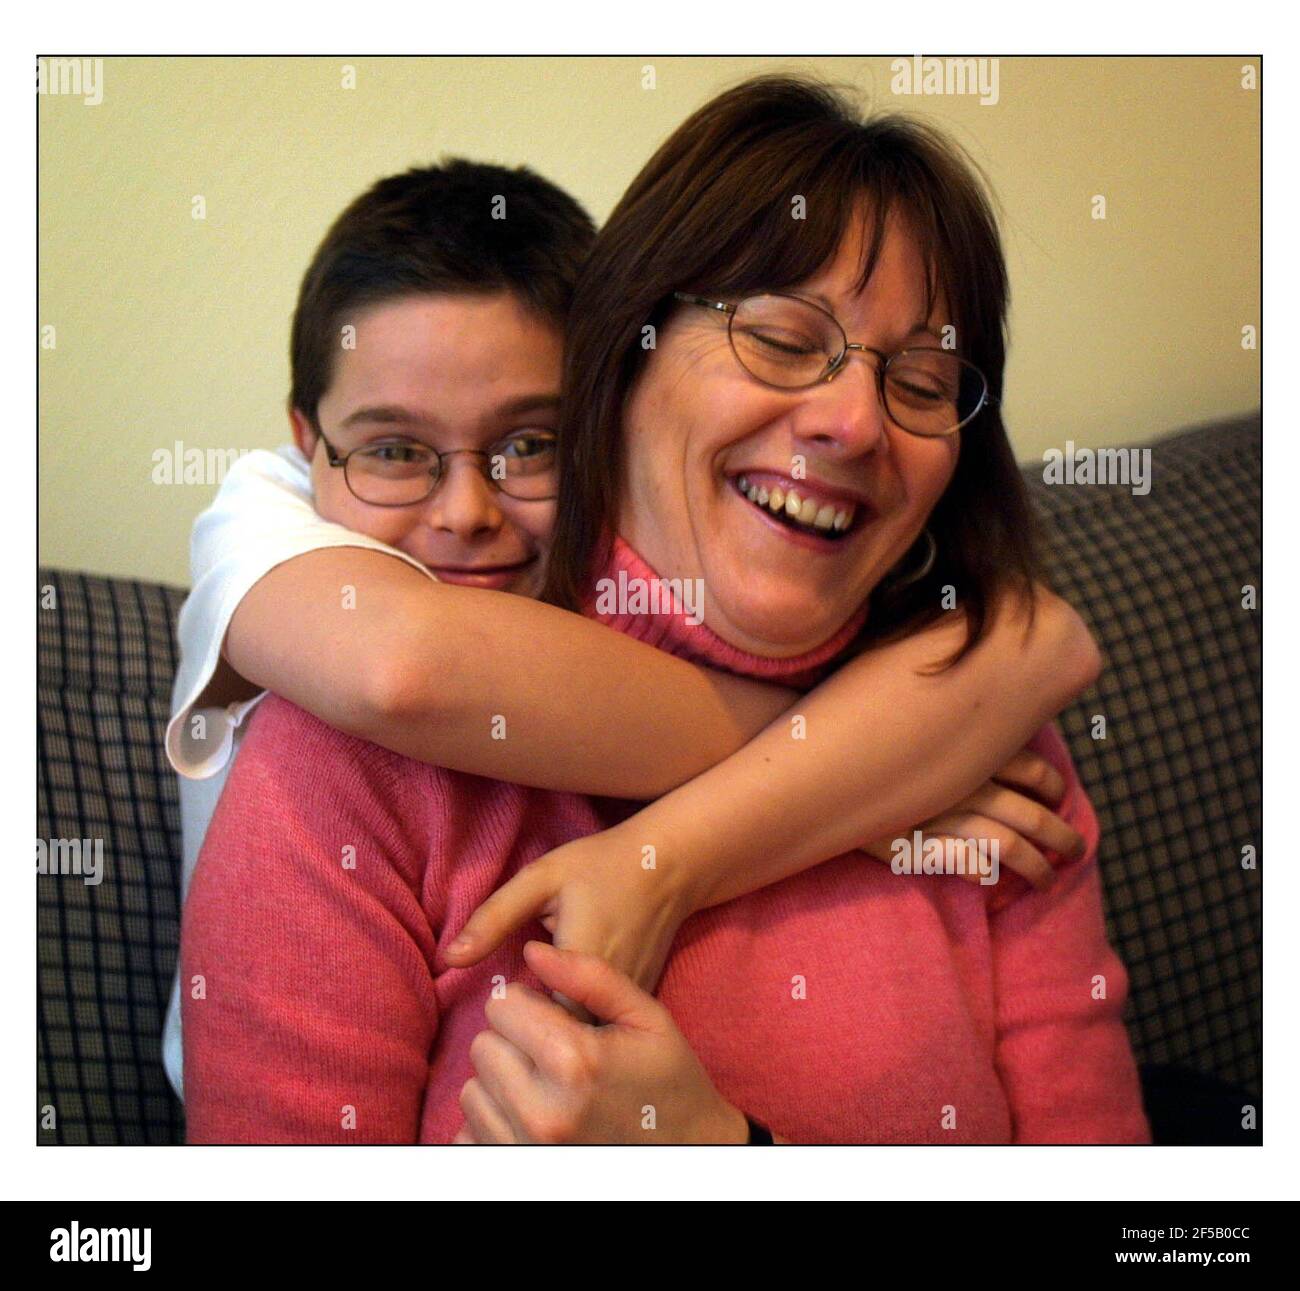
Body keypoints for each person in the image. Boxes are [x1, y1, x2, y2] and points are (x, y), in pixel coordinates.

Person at [180, 76, 1147, 1142]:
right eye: (782, 339)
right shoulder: (353, 746)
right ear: (623, 365)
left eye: (922, 381)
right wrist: (857, 774)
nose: (854, 422)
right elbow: (396, 666)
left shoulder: (993, 750)